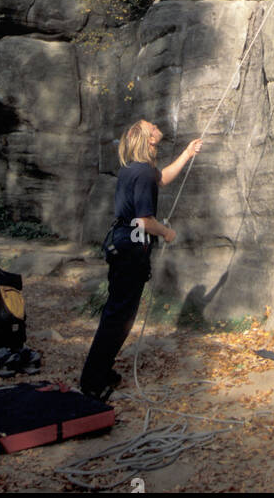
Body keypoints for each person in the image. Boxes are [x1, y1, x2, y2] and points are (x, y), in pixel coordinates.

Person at [80, 118, 202, 400]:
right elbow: (143, 221)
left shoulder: (136, 169)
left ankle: (101, 371)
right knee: (119, 317)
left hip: (122, 245)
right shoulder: (143, 174)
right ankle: (92, 381)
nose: (156, 126)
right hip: (129, 249)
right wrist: (168, 233)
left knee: (118, 314)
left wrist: (186, 153)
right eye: (152, 127)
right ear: (147, 138)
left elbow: (162, 179)